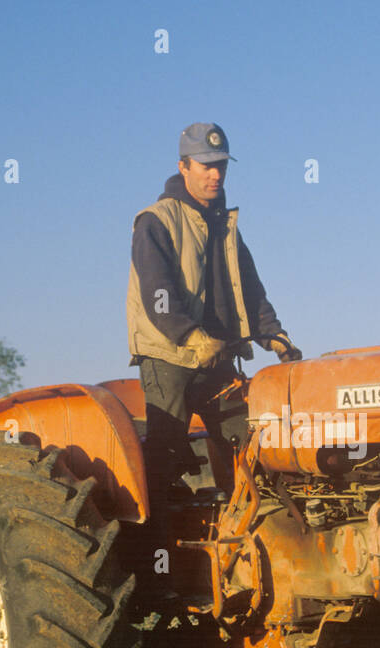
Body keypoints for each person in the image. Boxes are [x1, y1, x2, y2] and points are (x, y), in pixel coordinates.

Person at [125, 122, 301, 589]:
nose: (215, 175)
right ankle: (157, 575)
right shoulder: (156, 221)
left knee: (251, 446)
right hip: (171, 355)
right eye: (205, 166)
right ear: (183, 166)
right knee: (166, 460)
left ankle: (247, 557)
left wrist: (272, 333)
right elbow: (157, 294)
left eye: (221, 166)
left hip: (217, 356)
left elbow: (248, 285)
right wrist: (189, 336)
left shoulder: (225, 223)